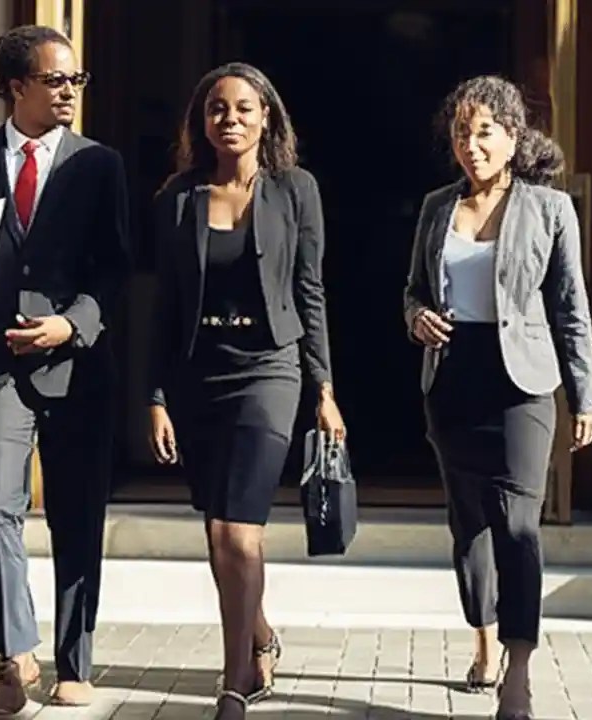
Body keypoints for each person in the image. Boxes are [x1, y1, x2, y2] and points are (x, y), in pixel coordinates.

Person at [0, 25, 129, 714]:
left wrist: (72, 324)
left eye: (76, 80)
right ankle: (16, 653)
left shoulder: (99, 165)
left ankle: (77, 661)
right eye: (56, 80)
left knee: (76, 515)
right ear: (17, 87)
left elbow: (116, 270)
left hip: (76, 366)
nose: (70, 90)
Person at [145, 62, 346, 719]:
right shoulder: (176, 197)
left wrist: (324, 385)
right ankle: (259, 637)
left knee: (239, 531)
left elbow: (310, 291)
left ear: (267, 118)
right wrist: (155, 396)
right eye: (216, 110)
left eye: (243, 108)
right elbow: (164, 307)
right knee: (216, 534)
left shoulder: (295, 190)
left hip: (270, 369)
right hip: (198, 373)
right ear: (202, 122)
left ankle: (236, 681)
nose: (229, 119)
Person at [403, 76, 592, 720]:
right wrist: (416, 318)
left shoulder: (550, 209)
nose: (471, 143)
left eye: (484, 131)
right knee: (470, 528)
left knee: (518, 523)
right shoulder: (437, 207)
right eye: (461, 131)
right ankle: (483, 637)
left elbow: (571, 308)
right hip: (453, 379)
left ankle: (518, 665)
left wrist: (585, 394)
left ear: (513, 138)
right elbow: (413, 290)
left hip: (523, 383)